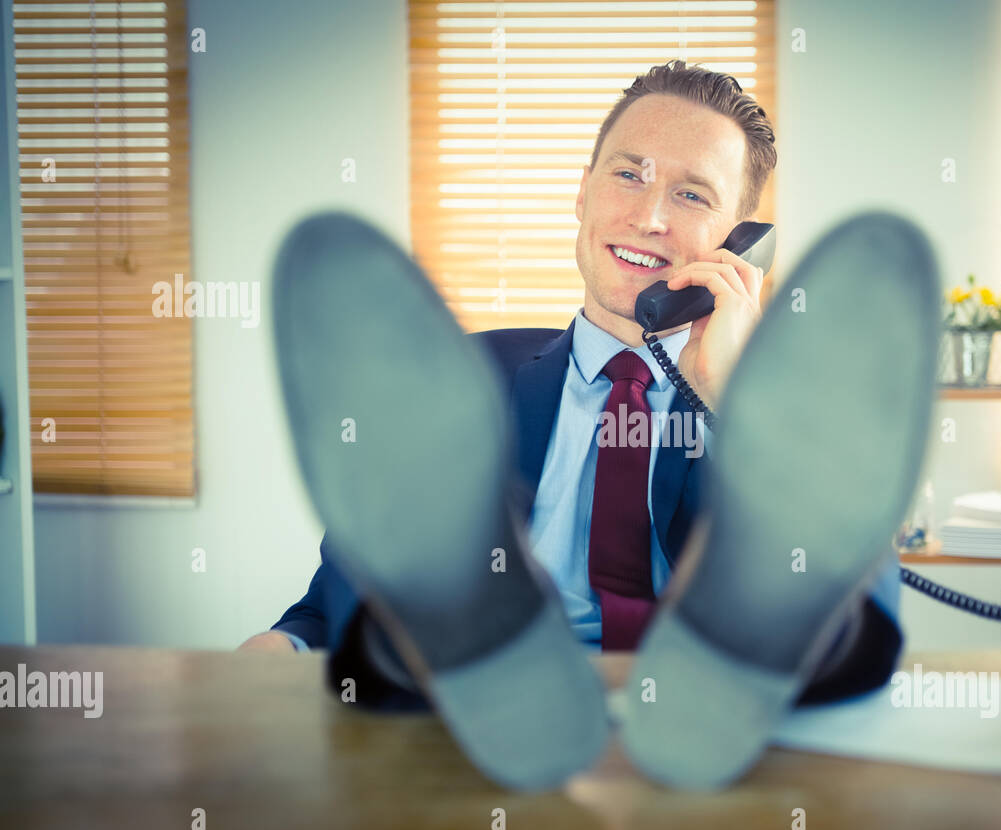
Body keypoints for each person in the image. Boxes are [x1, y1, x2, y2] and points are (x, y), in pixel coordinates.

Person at [240, 60, 939, 791]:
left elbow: (871, 590)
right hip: (459, 723)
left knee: (820, 553)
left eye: (691, 194)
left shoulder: (774, 407)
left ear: (740, 243)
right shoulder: (465, 379)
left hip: (727, 720)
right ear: (584, 190)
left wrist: (733, 403)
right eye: (628, 175)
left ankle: (733, 643)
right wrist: (285, 647)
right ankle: (486, 641)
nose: (649, 216)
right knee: (410, 587)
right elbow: (334, 599)